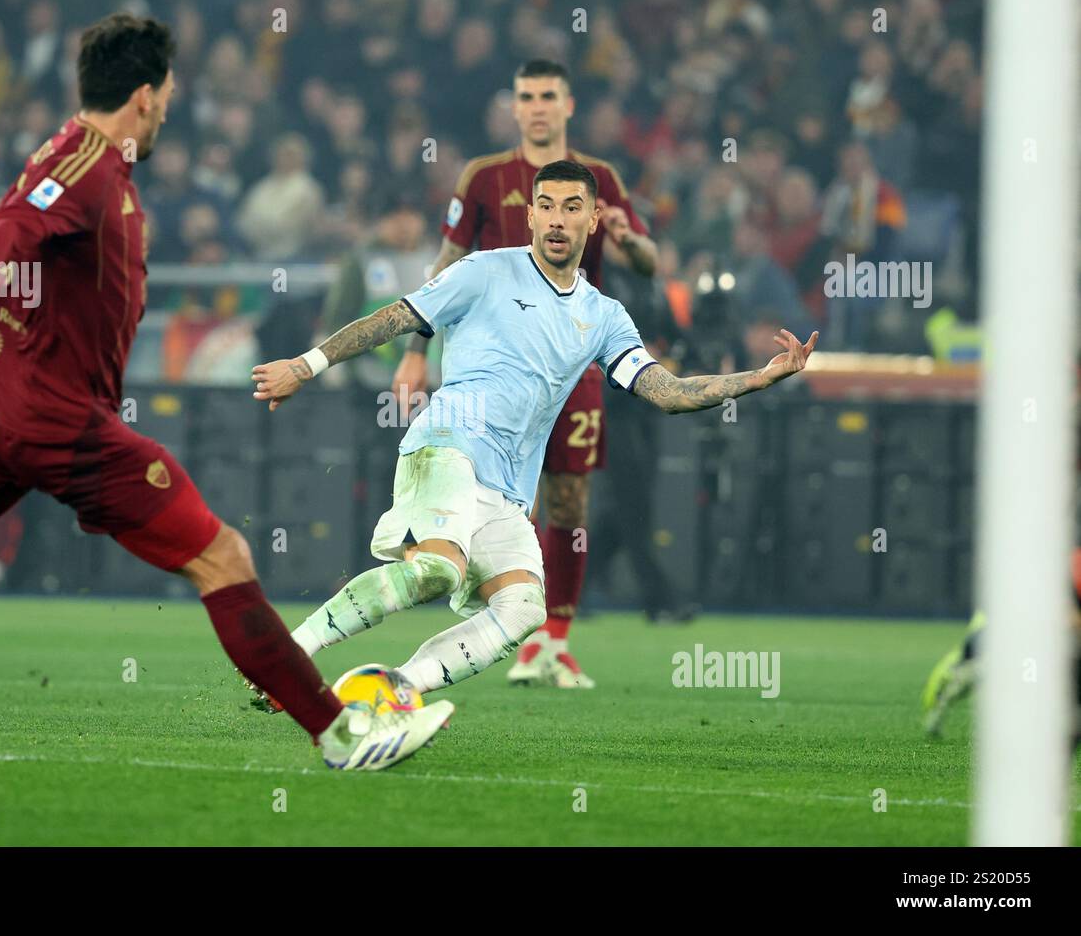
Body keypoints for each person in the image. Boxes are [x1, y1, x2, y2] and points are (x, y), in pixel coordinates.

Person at [0, 13, 451, 771]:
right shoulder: (86, 167)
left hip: (9, 418)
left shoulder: (69, 156)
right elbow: (5, 240)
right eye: (165, 94)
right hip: (58, 420)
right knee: (223, 556)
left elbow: (12, 246)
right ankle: (342, 734)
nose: (167, 107)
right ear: (142, 95)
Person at [249, 159, 816, 703]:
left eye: (572, 207)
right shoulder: (483, 270)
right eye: (545, 205)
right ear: (530, 216)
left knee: (523, 610)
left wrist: (759, 379)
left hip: (507, 488)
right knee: (437, 571)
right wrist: (305, 366)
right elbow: (395, 318)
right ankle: (289, 656)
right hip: (448, 444)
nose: (557, 219)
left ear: (593, 221)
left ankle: (396, 690)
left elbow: (665, 393)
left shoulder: (604, 316)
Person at [390, 59, 660, 689]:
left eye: (548, 96)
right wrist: (414, 349)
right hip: (493, 368)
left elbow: (648, 262)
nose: (537, 106)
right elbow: (448, 262)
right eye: (527, 96)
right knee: (509, 492)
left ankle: (554, 643)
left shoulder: (599, 181)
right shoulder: (484, 177)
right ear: (515, 107)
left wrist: (626, 238)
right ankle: (511, 611)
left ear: (568, 105)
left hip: (573, 357)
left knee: (570, 498)